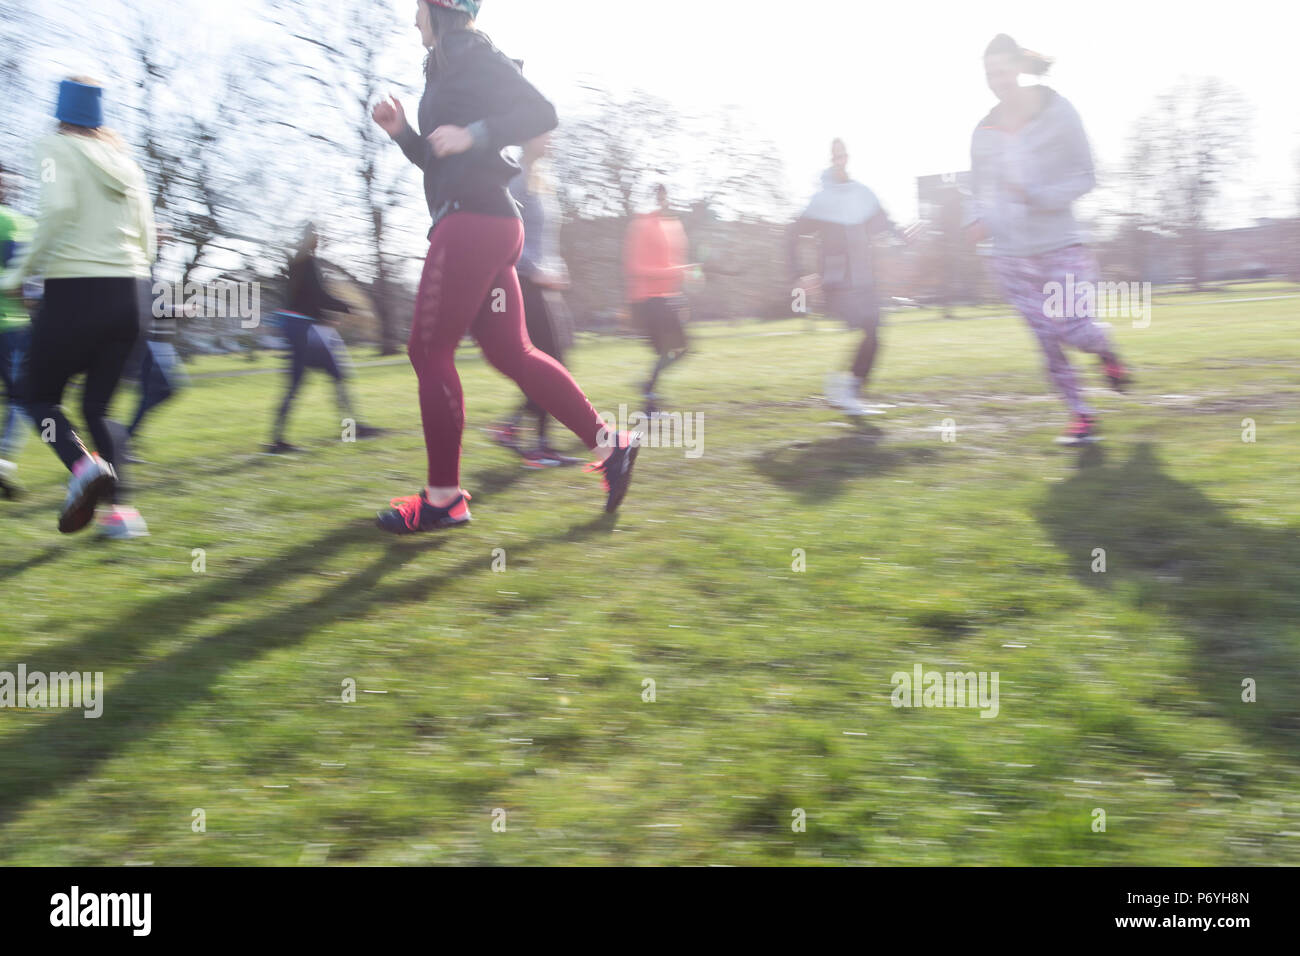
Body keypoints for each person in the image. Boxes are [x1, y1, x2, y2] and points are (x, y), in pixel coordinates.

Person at [369, 0, 637, 534]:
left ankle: (444, 499)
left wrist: (476, 135)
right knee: (511, 351)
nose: (413, 18)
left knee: (428, 348)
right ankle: (611, 445)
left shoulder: (473, 49)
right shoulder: (448, 67)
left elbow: (542, 113)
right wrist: (404, 133)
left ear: (442, 8)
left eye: (419, 8)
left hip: (473, 221)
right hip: (482, 219)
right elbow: (440, 159)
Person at [1, 77, 155, 537]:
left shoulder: (53, 148)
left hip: (77, 290)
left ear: (60, 115)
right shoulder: (127, 162)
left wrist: (17, 274)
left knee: (34, 396)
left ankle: (81, 466)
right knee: (99, 409)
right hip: (133, 294)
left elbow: (56, 211)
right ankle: (122, 516)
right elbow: (147, 235)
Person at [968, 34, 1132, 445]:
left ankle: (1106, 351)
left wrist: (1039, 199)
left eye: (1003, 71)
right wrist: (976, 219)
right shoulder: (983, 130)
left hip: (1060, 243)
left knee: (1074, 329)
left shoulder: (1058, 111)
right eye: (990, 74)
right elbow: (977, 187)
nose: (998, 81)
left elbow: (1086, 174)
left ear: (1019, 68)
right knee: (1046, 340)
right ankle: (1081, 415)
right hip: (1008, 255)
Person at [487, 128, 582, 467]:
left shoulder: (543, 179)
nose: (552, 139)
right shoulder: (516, 178)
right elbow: (506, 233)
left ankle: (512, 428)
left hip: (545, 283)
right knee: (551, 364)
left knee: (559, 358)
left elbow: (544, 237)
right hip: (525, 282)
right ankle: (538, 446)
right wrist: (534, 268)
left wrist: (557, 266)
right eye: (546, 134)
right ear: (528, 138)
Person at [788, 138, 897, 417]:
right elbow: (791, 234)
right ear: (831, 159)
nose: (840, 160)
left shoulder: (860, 193)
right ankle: (846, 389)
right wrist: (798, 274)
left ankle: (846, 388)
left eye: (843, 155)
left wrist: (902, 234)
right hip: (838, 283)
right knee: (870, 330)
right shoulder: (822, 201)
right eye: (835, 156)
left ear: (848, 158)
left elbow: (882, 222)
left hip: (864, 280)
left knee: (875, 335)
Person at [265, 222, 383, 454]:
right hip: (303, 329)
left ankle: (278, 439)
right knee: (325, 378)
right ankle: (278, 441)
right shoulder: (306, 262)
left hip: (301, 327)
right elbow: (317, 296)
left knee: (328, 377)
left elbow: (306, 298)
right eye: (316, 236)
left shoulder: (298, 262)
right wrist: (346, 307)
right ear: (309, 238)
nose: (319, 239)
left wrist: (324, 315)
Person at [624, 183, 693, 414]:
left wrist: (682, 284)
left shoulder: (672, 225)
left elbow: (671, 262)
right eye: (660, 196)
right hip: (648, 300)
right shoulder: (642, 225)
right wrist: (677, 272)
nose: (665, 201)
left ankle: (648, 390)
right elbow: (636, 268)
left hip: (668, 298)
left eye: (666, 196)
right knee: (670, 349)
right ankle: (649, 397)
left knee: (679, 349)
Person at [0, 163, 35, 498]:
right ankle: (3, 461)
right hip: (12, 328)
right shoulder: (12, 221)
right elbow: (18, 283)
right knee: (24, 398)